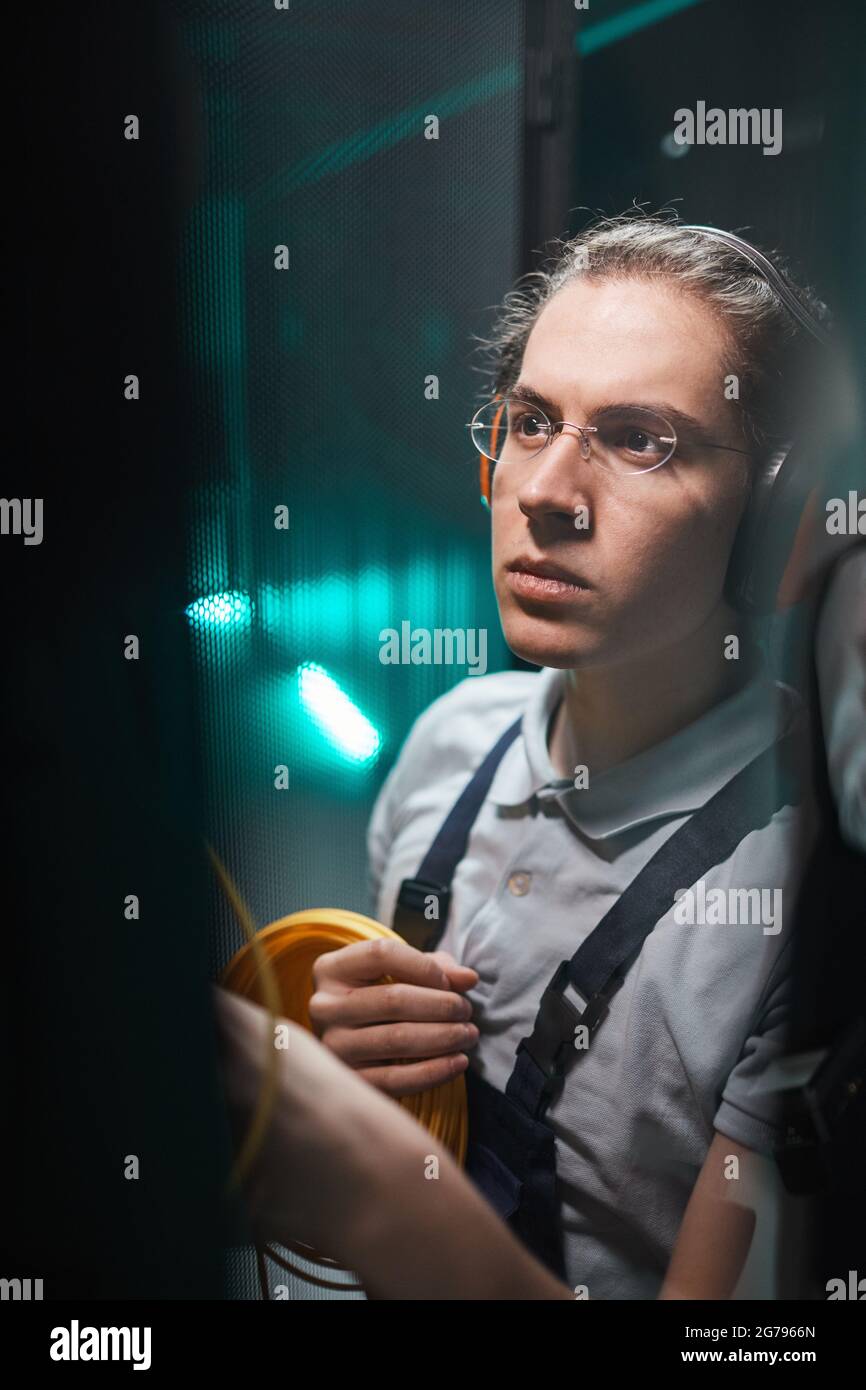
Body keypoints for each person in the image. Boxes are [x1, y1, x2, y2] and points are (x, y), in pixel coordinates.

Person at [303, 213, 853, 1300]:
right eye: (528, 421)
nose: (546, 492)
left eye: (640, 438)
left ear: (771, 516)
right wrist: (344, 1073)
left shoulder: (809, 886)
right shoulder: (446, 745)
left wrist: (354, 1169)